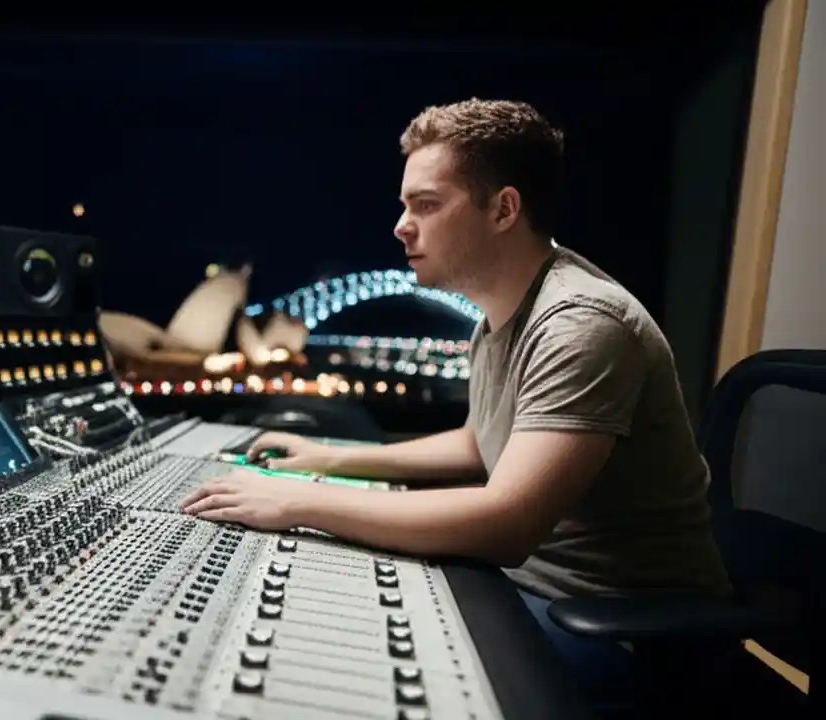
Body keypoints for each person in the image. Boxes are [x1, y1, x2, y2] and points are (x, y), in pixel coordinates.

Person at [180, 98, 731, 706]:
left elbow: (505, 525)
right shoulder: (500, 313)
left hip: (617, 633)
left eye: (426, 205)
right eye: (404, 204)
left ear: (504, 209)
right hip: (527, 596)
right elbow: (478, 441)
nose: (400, 225)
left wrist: (299, 501)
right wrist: (329, 460)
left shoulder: (581, 324)